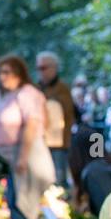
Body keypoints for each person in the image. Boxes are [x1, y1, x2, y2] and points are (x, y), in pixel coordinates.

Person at [0, 54, 55, 219]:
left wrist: (23, 157)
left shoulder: (28, 93)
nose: (2, 77)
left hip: (25, 155)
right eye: (0, 72)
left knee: (24, 204)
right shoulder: (10, 95)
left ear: (18, 73)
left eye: (7, 72)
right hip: (10, 156)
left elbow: (32, 124)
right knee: (15, 202)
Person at [36, 52, 78, 189]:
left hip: (59, 145)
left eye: (44, 68)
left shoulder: (63, 89)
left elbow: (68, 116)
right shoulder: (35, 89)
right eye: (39, 68)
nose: (41, 72)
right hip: (38, 144)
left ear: (54, 68)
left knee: (59, 182)